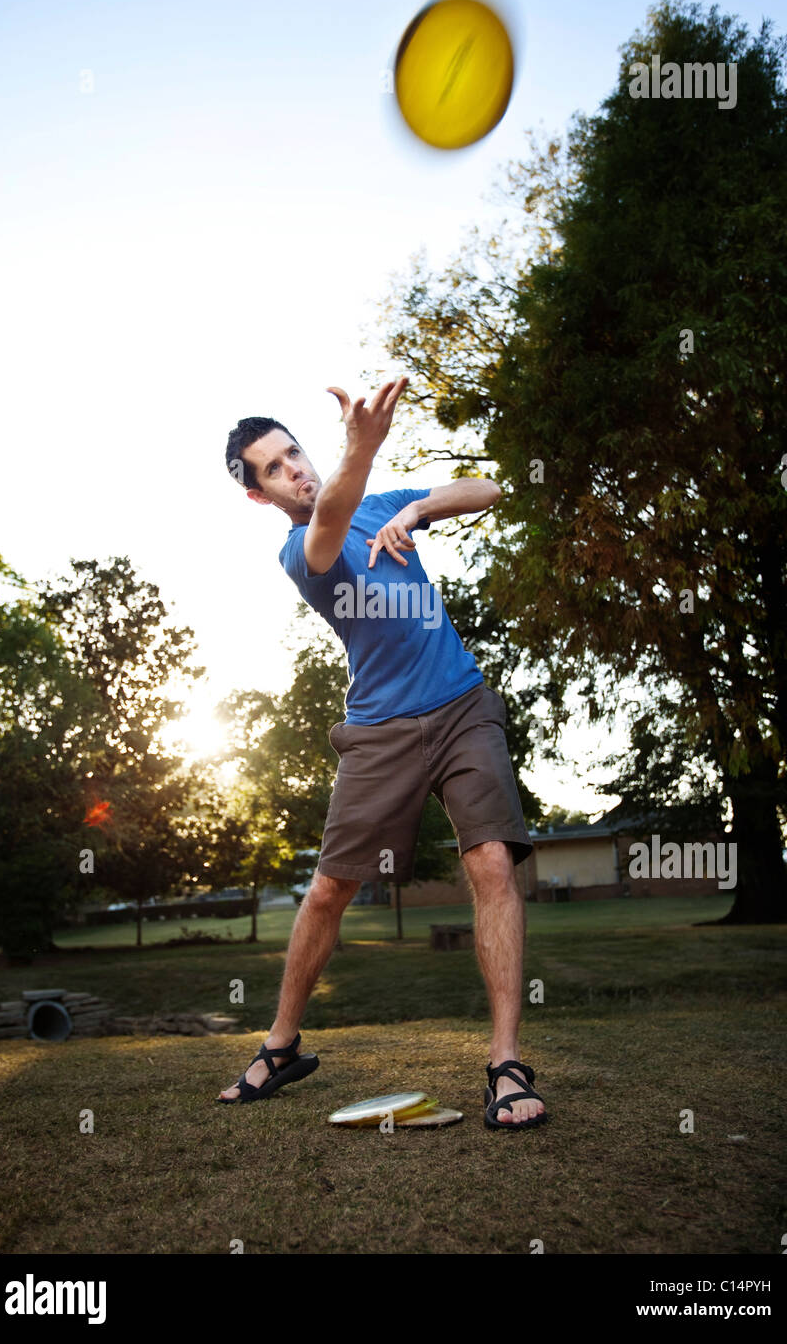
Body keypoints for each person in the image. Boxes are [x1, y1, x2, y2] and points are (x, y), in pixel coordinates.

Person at [217, 377, 547, 1129]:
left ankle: (506, 1063)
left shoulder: (374, 504)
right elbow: (330, 520)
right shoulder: (302, 550)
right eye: (273, 468)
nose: (294, 468)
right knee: (330, 890)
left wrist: (416, 506)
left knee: (492, 861)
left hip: (463, 706)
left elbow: (488, 486)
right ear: (259, 495)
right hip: (380, 732)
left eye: (293, 451)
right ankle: (280, 1047)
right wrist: (360, 449)